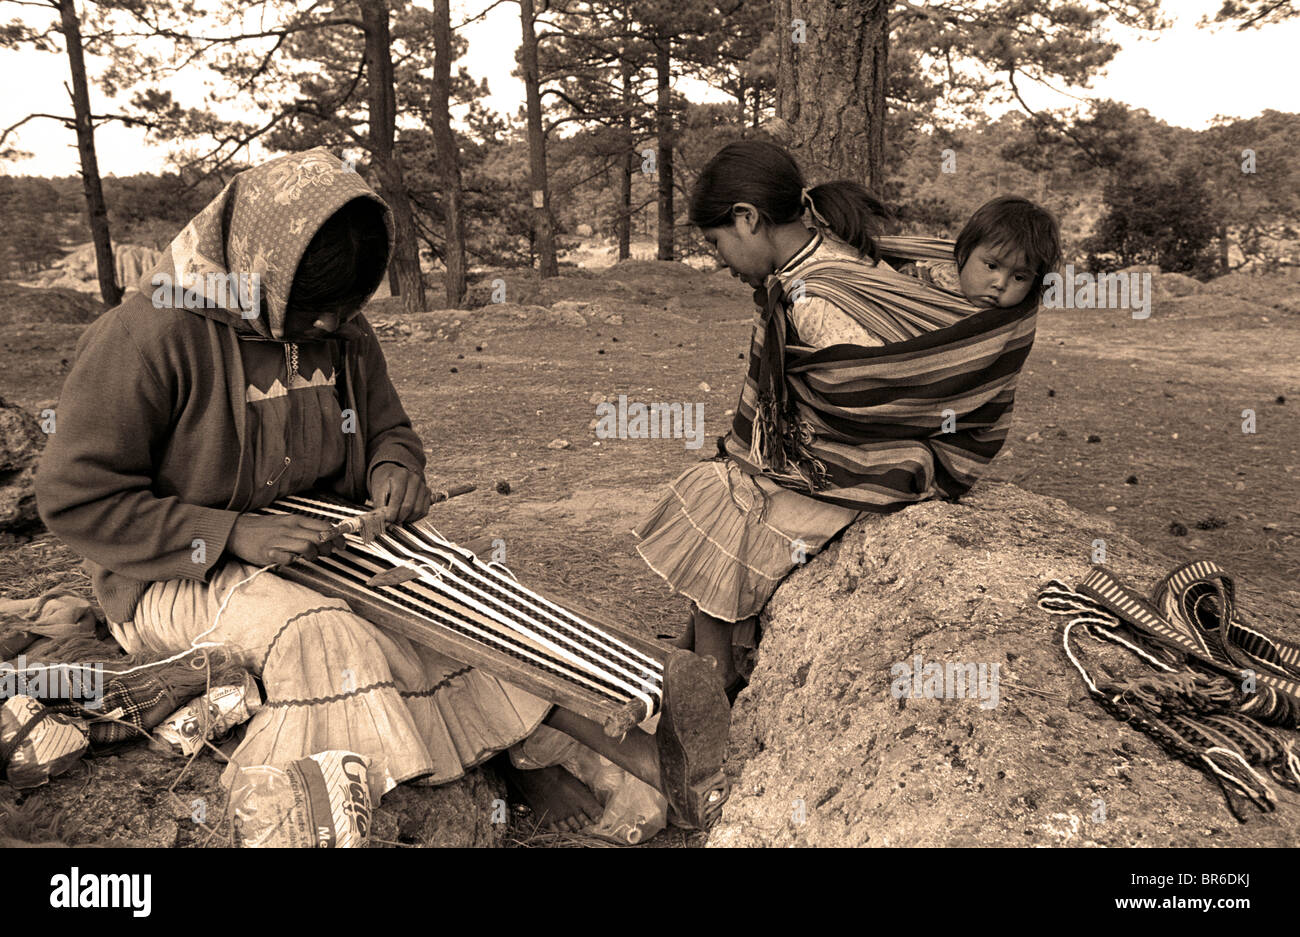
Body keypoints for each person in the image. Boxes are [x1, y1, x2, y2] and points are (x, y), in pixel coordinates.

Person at [36, 147, 727, 832]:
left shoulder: (337, 329)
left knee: (456, 596)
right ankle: (312, 806)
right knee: (327, 637)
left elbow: (388, 429)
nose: (335, 327)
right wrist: (231, 533)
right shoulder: (150, 335)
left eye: (347, 309)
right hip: (169, 575)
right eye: (316, 310)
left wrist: (394, 470)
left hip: (317, 543)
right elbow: (75, 498)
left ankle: (528, 756)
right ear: (261, 270)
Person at [634, 141, 1061, 698]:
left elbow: (871, 393)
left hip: (863, 462)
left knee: (726, 505)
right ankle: (688, 675)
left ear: (747, 219)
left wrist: (782, 446)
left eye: (716, 243)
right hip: (834, 446)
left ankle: (710, 699)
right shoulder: (822, 247)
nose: (719, 259)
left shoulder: (814, 295)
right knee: (725, 493)